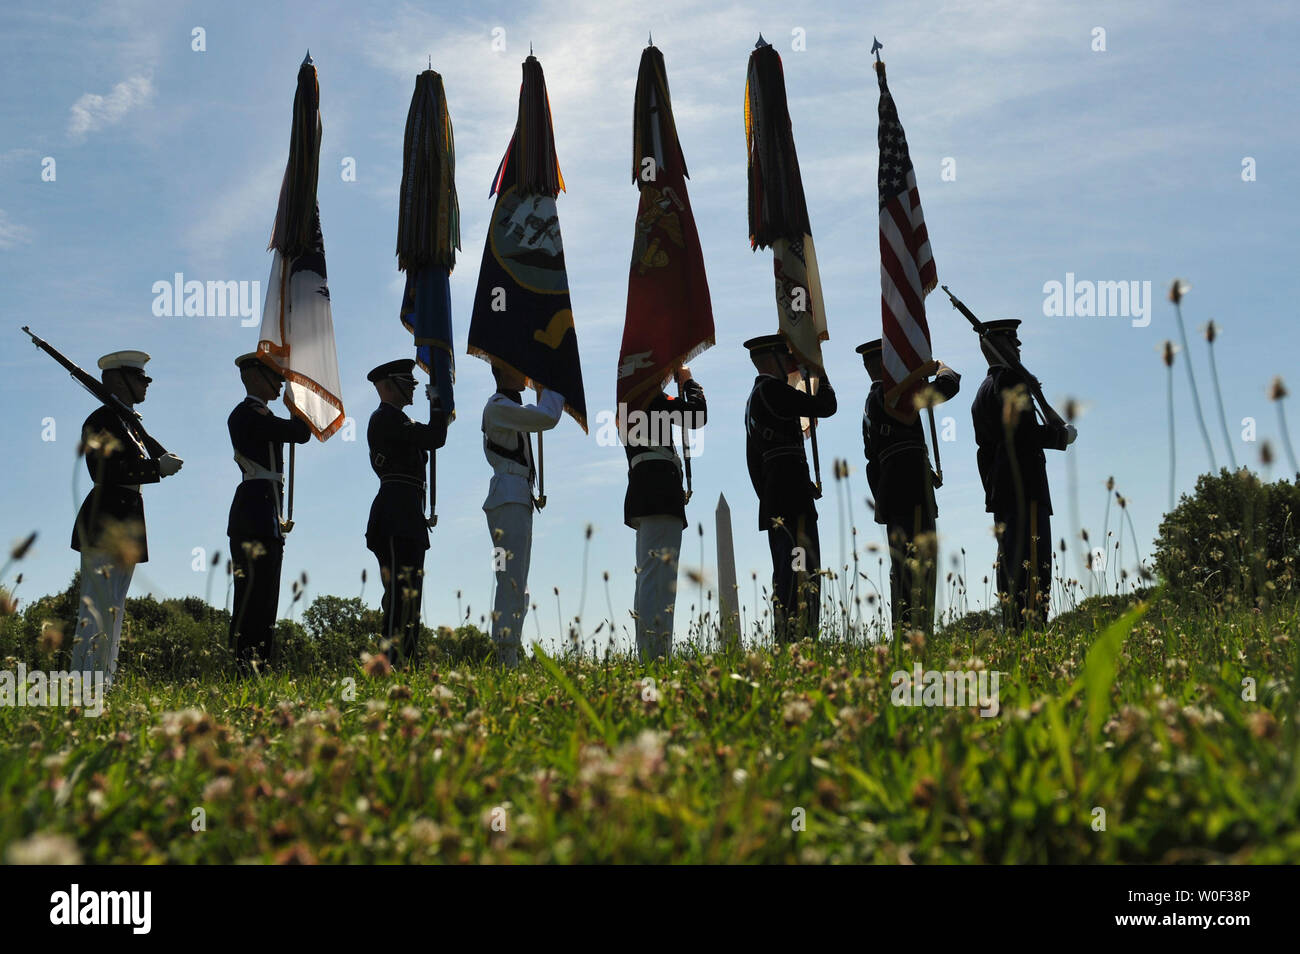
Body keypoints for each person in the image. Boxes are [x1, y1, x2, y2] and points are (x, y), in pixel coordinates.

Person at [70, 350, 183, 686]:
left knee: (115, 606)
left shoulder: (126, 422)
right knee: (97, 607)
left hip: (127, 517)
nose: (146, 385)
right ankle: (84, 683)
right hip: (105, 520)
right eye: (139, 378)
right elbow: (102, 469)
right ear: (118, 380)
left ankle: (105, 679)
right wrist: (154, 468)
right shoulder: (100, 421)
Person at [970, 320, 1076, 629]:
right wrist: (1059, 437)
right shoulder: (1011, 382)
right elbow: (1023, 434)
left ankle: (1016, 631)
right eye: (1012, 342)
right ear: (999, 346)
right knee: (1034, 566)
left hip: (1001, 491)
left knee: (1012, 565)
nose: (1018, 347)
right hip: (1024, 487)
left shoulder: (984, 389)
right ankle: (1031, 635)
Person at [858, 339, 961, 634]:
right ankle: (914, 636)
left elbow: (877, 461)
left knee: (908, 569)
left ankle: (910, 635)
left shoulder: (874, 401)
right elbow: (947, 387)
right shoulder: (890, 396)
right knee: (917, 570)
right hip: (909, 494)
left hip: (897, 494)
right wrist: (939, 366)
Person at [743, 335, 836, 643]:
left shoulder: (755, 398)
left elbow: (754, 462)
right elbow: (826, 406)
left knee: (788, 572)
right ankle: (799, 641)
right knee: (801, 570)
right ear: (773, 360)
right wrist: (819, 371)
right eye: (788, 359)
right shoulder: (772, 390)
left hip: (778, 499)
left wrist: (772, 493)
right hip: (791, 502)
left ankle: (789, 640)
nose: (793, 367)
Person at [226, 353, 311, 674]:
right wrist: (297, 400)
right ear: (257, 377)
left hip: (266, 514)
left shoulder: (261, 413)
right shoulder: (247, 414)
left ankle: (260, 665)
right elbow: (300, 434)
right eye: (276, 377)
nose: (280, 383)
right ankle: (246, 667)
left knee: (266, 599)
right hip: (253, 512)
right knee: (250, 599)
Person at [622, 366, 707, 662]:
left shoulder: (631, 399)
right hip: (659, 490)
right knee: (658, 580)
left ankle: (651, 653)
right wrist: (688, 379)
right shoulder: (651, 399)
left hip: (647, 490)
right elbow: (697, 414)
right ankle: (655, 655)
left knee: (650, 577)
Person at [365, 359, 447, 666]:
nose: (414, 387)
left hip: (407, 517)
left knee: (409, 597)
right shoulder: (385, 418)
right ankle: (391, 663)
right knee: (400, 598)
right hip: (395, 517)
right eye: (407, 382)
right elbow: (435, 437)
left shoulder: (399, 420)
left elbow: (431, 437)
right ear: (387, 386)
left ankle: (404, 662)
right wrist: (439, 399)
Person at [481, 363, 564, 668]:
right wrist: (551, 387)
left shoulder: (506, 406)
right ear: (503, 372)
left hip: (513, 496)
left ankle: (507, 651)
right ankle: (505, 653)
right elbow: (546, 417)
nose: (525, 373)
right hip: (509, 497)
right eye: (518, 368)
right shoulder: (498, 405)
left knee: (513, 578)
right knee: (511, 579)